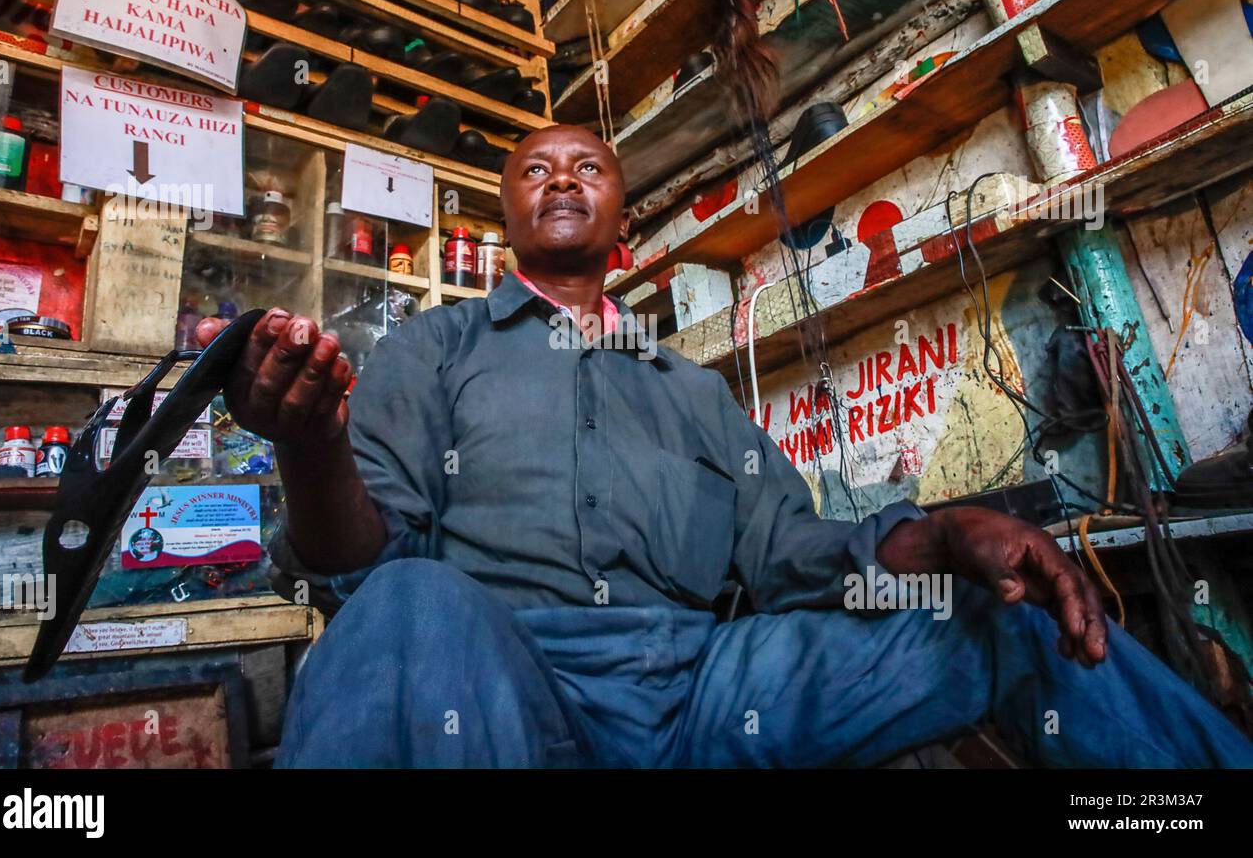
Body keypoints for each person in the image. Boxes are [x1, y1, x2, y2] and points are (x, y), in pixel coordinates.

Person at [197, 124, 1253, 768]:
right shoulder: (436, 348)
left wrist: (945, 536)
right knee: (406, 604)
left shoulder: (690, 388)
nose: (561, 180)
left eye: (586, 167)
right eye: (534, 170)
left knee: (1004, 605)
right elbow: (352, 565)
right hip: (510, 678)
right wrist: (309, 446)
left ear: (624, 212)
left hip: (709, 682)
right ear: (506, 209)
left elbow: (804, 559)